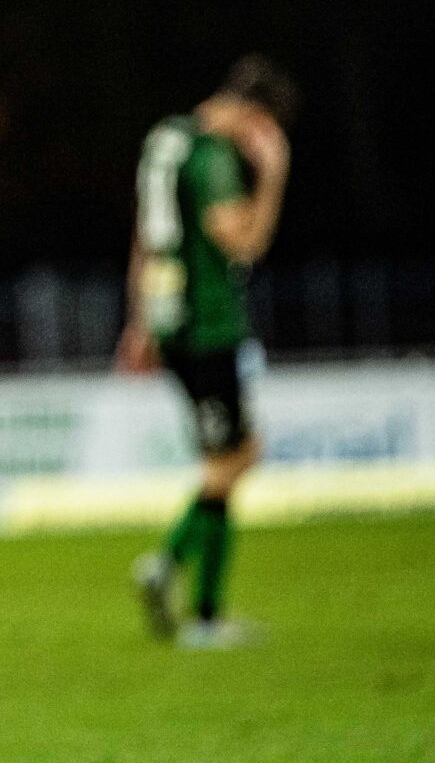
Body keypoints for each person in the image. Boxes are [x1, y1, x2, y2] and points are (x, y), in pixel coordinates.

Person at [115, 55, 299, 649]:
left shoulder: (167, 140)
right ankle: (191, 595)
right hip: (209, 325)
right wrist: (272, 176)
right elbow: (243, 243)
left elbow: (148, 236)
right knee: (229, 463)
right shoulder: (215, 157)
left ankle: (191, 593)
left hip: (171, 323)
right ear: (253, 114)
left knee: (237, 453)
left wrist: (140, 319)